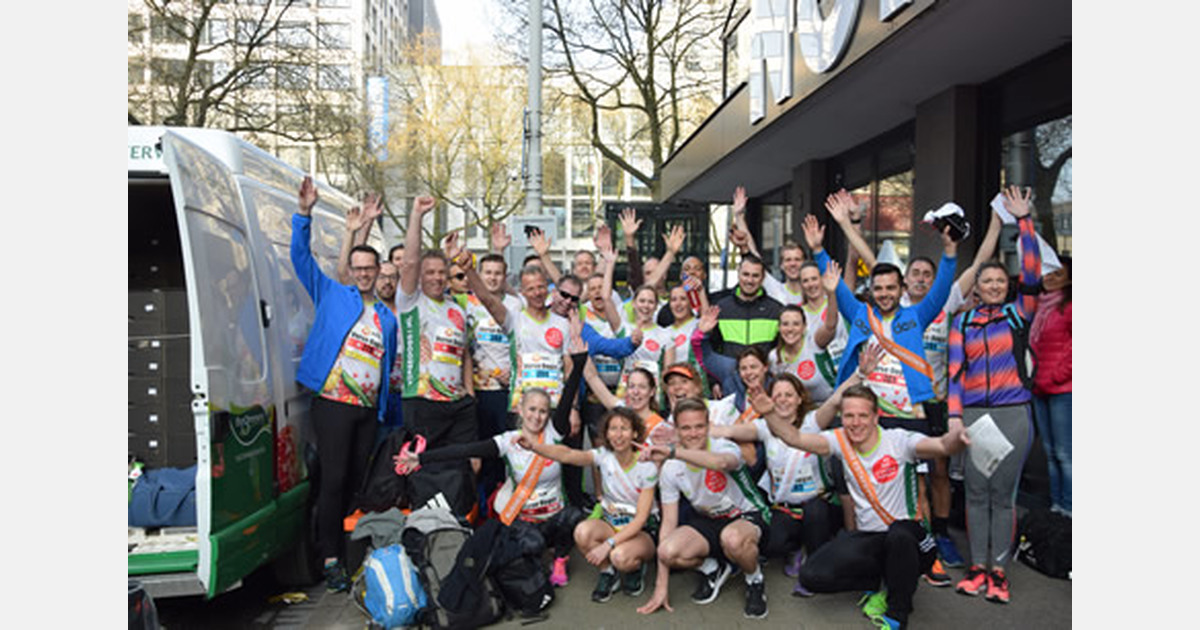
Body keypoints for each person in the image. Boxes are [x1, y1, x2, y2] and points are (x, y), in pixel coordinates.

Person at [826, 189, 1005, 570]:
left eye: (926, 274)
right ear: (903, 282)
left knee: (932, 473)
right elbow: (867, 273)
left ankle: (934, 537)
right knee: (898, 478)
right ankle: (900, 540)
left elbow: (959, 272)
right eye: (915, 274)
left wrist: (982, 230)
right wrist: (845, 225)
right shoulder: (887, 308)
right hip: (883, 406)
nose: (920, 279)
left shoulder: (936, 305)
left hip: (929, 403)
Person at [765, 384, 968, 630]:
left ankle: (897, 614)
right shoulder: (839, 440)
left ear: (876, 417)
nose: (855, 422)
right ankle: (880, 583)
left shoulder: (899, 441)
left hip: (914, 543)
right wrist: (769, 412)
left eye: (863, 415)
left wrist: (957, 437)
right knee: (811, 576)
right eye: (849, 415)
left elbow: (942, 446)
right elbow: (793, 438)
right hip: (871, 539)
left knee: (899, 534)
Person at [398, 342, 591, 587]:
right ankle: (533, 559)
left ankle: (560, 559)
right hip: (525, 519)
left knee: (574, 516)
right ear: (520, 410)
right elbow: (464, 450)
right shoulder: (508, 441)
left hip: (553, 516)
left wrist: (579, 362)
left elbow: (567, 397)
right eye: (532, 409)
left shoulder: (554, 431)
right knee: (533, 544)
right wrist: (421, 458)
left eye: (543, 411)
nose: (537, 416)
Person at [290, 176, 398, 592]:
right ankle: (330, 557)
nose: (366, 275)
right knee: (333, 480)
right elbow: (300, 257)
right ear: (352, 272)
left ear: (378, 272)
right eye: (359, 269)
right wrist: (305, 213)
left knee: (355, 480)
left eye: (372, 269)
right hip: (333, 403)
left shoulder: (386, 317)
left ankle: (342, 546)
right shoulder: (335, 295)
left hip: (368, 411)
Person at [713, 344, 883, 595]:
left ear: (800, 397)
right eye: (777, 395)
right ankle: (796, 547)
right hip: (785, 508)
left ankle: (814, 560)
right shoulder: (763, 427)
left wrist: (860, 373)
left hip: (819, 506)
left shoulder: (814, 421)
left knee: (815, 514)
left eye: (788, 395)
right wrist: (686, 431)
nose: (782, 400)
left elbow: (836, 399)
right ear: (769, 400)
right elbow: (727, 431)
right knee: (771, 545)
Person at [946, 185, 1043, 605]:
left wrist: (1024, 222)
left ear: (1008, 285)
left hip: (1013, 415)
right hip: (971, 416)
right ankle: (977, 567)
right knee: (976, 494)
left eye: (1000, 280)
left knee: (1004, 497)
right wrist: (953, 418)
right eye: (986, 279)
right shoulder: (962, 324)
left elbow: (1035, 272)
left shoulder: (1019, 314)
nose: (993, 285)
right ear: (977, 287)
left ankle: (999, 570)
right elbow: (953, 375)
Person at [636, 398, 772, 619]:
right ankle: (712, 567)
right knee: (666, 551)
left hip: (747, 516)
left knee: (734, 539)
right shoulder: (671, 468)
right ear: (677, 431)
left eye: (699, 426)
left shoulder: (724, 446)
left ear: (708, 426)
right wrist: (661, 586)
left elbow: (720, 463)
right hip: (710, 521)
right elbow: (668, 523)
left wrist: (673, 452)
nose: (693, 433)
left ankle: (754, 579)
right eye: (686, 428)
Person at [518, 407, 660, 602]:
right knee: (582, 532)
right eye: (613, 429)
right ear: (606, 434)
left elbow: (641, 519)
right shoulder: (603, 454)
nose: (618, 435)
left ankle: (635, 567)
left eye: (624, 429)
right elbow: (567, 454)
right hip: (611, 522)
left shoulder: (647, 466)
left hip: (640, 530)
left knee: (621, 557)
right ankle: (607, 572)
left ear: (635, 432)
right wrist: (533, 446)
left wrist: (608, 545)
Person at [395, 198, 476, 449]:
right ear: (420, 276)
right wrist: (417, 215)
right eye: (430, 272)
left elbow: (463, 356)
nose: (437, 278)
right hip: (422, 400)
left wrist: (470, 397)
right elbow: (409, 262)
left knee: (461, 468)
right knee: (424, 471)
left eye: (441, 272)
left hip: (456, 404)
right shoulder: (410, 301)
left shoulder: (457, 310)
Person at [1030, 255, 1071, 517]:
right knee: (1048, 452)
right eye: (1047, 272)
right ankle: (1057, 506)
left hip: (1063, 389)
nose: (1050, 277)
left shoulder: (1072, 305)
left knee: (1065, 453)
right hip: (1039, 387)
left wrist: (1057, 376)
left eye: (1057, 273)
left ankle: (1070, 507)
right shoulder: (1038, 305)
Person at [768, 262, 843, 404]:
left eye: (796, 324)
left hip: (827, 409)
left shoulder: (814, 344)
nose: (790, 329)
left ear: (804, 327)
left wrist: (831, 293)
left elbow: (830, 325)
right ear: (778, 328)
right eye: (785, 324)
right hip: (794, 412)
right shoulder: (773, 357)